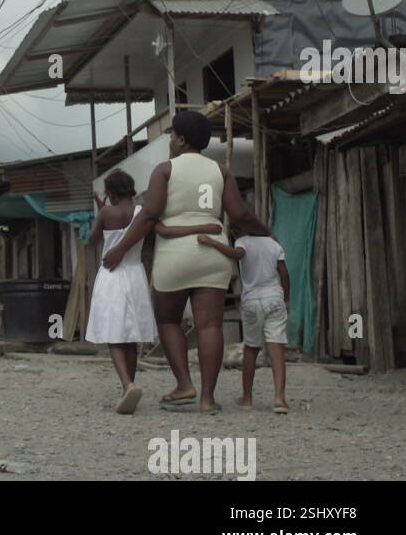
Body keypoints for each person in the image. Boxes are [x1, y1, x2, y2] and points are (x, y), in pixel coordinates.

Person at [102, 110, 272, 414]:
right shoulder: (222, 172)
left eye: (171, 136)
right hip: (214, 252)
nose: (169, 141)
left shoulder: (164, 170)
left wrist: (120, 249)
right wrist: (269, 234)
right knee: (210, 325)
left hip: (175, 254)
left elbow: (150, 215)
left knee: (168, 319)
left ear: (181, 140)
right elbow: (241, 215)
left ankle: (184, 385)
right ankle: (207, 399)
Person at [195, 228, 291, 413]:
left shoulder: (243, 241)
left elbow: (237, 254)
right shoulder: (273, 243)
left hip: (252, 300)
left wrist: (213, 243)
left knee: (251, 349)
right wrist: (287, 299)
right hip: (274, 298)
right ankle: (280, 399)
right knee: (276, 348)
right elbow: (284, 274)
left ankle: (247, 398)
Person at [85, 169, 158, 415]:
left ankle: (127, 384)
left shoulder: (106, 212)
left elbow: (93, 241)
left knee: (114, 334)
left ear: (112, 193)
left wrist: (99, 211)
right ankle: (129, 384)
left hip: (111, 274)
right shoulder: (141, 212)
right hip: (136, 273)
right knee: (131, 335)